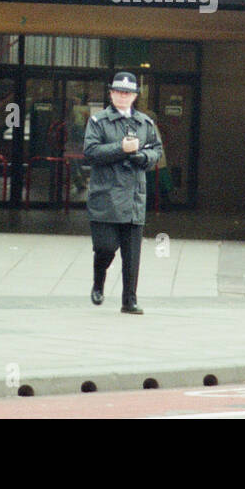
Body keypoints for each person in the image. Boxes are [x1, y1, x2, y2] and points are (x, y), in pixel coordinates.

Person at [82, 71, 163, 314]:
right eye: (118, 92)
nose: (122, 96)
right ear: (111, 94)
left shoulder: (145, 123)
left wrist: (143, 157)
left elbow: (156, 150)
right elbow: (91, 151)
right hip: (105, 195)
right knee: (105, 247)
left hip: (134, 196)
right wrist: (121, 148)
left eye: (127, 93)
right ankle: (99, 279)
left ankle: (129, 300)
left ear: (135, 96)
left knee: (132, 255)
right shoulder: (98, 121)